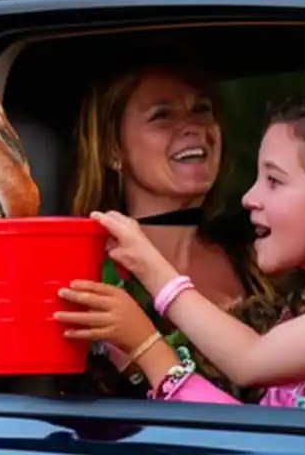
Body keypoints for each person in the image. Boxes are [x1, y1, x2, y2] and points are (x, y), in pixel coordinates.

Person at [57, 98, 305, 409]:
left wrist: (148, 345)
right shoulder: (301, 305)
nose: (248, 197)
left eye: (274, 181)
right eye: (162, 115)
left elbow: (249, 362)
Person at [67, 50, 276, 396]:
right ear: (111, 149)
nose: (193, 126)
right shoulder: (91, 278)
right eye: (162, 116)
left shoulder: (260, 254)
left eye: (202, 109)